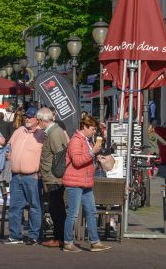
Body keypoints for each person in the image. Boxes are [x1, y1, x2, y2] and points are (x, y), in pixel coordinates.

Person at [63, 115, 111, 252]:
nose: (94, 131)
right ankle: (67, 242)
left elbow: (87, 159)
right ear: (84, 127)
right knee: (73, 213)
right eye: (92, 129)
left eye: (95, 129)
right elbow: (77, 161)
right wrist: (92, 152)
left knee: (91, 211)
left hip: (86, 181)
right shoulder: (75, 141)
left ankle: (94, 241)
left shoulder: (88, 140)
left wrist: (97, 157)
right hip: (74, 182)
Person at [3, 107, 44, 245]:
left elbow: (47, 156)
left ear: (37, 119)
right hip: (16, 176)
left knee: (35, 207)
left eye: (30, 116)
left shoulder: (42, 134)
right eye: (27, 116)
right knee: (15, 207)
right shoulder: (19, 131)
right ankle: (15, 236)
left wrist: (40, 173)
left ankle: (33, 236)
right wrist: (9, 153)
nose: (27, 118)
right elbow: (8, 145)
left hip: (32, 176)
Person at [37, 107, 70, 248]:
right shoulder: (53, 131)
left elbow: (61, 155)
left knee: (57, 208)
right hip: (52, 176)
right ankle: (59, 237)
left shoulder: (54, 133)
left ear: (41, 120)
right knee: (55, 208)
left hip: (54, 178)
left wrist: (57, 174)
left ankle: (59, 238)